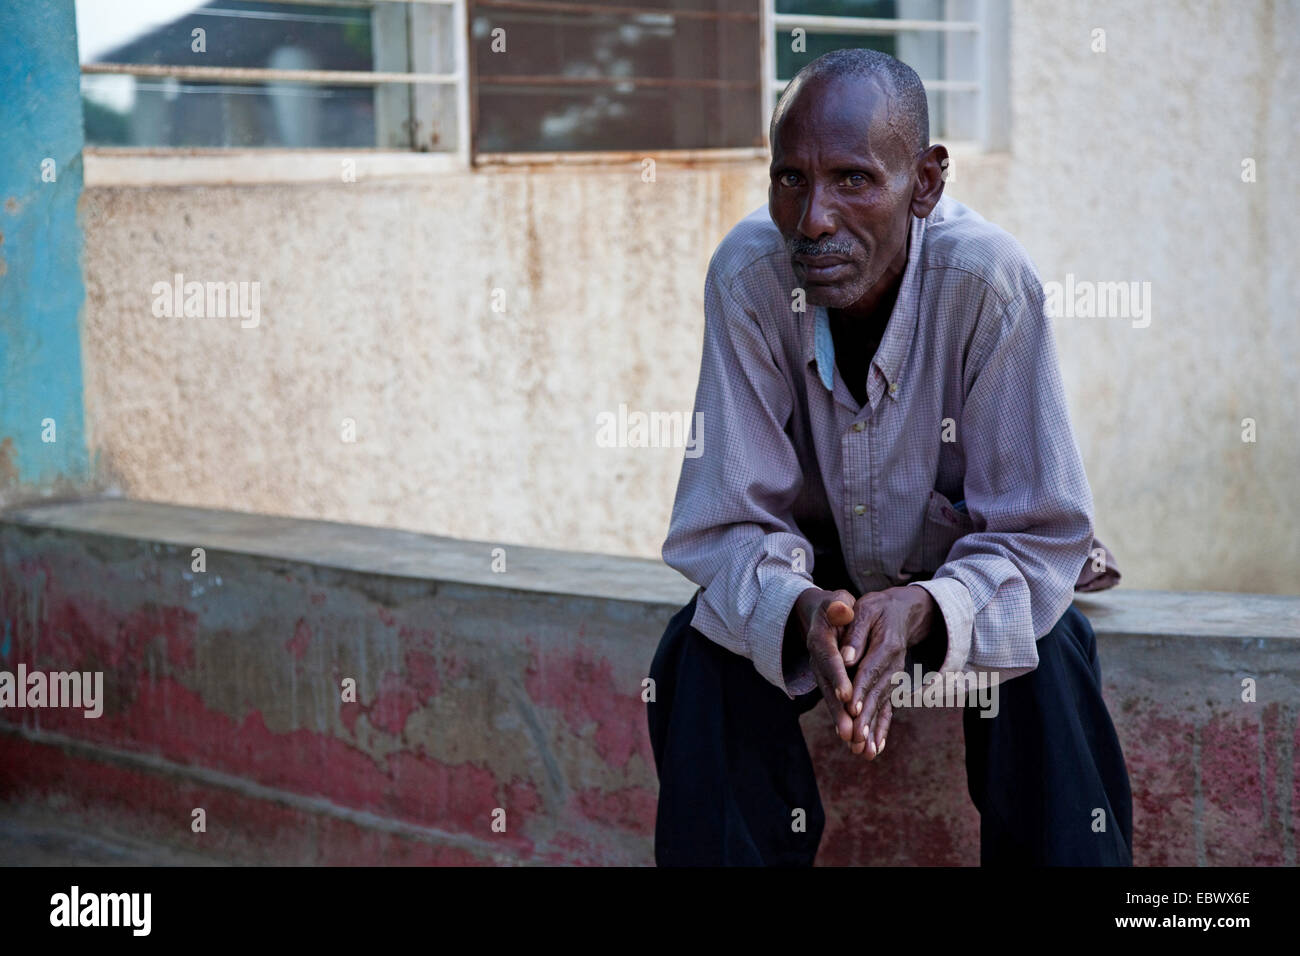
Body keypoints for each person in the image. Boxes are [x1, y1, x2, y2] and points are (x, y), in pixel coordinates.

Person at [647, 48, 1132, 867]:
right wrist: (799, 608)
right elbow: (727, 519)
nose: (815, 220)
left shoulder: (989, 283)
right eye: (790, 179)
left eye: (854, 180)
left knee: (1048, 653)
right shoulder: (748, 278)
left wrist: (928, 608)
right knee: (701, 654)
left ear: (927, 183)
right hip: (817, 568)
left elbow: (1039, 530)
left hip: (956, 564)